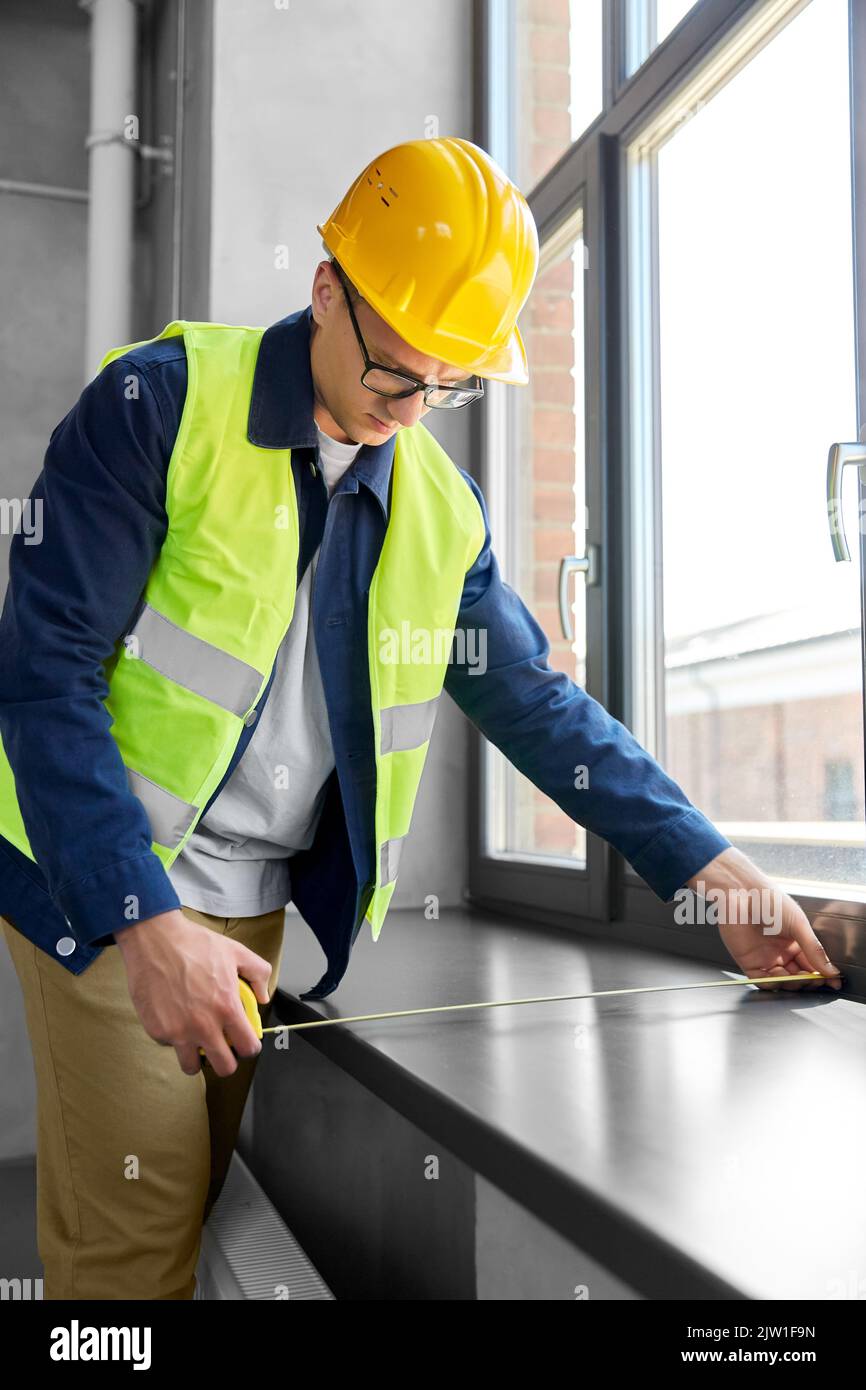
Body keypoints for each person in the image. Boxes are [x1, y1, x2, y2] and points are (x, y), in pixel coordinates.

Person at [0, 136, 840, 1300]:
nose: (412, 410)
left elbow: (539, 709)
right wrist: (139, 922)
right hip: (105, 881)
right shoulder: (159, 404)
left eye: (450, 384)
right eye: (397, 373)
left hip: (259, 913)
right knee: (128, 1249)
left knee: (184, 1200)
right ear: (324, 289)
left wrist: (714, 874)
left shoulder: (441, 512)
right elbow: (45, 675)